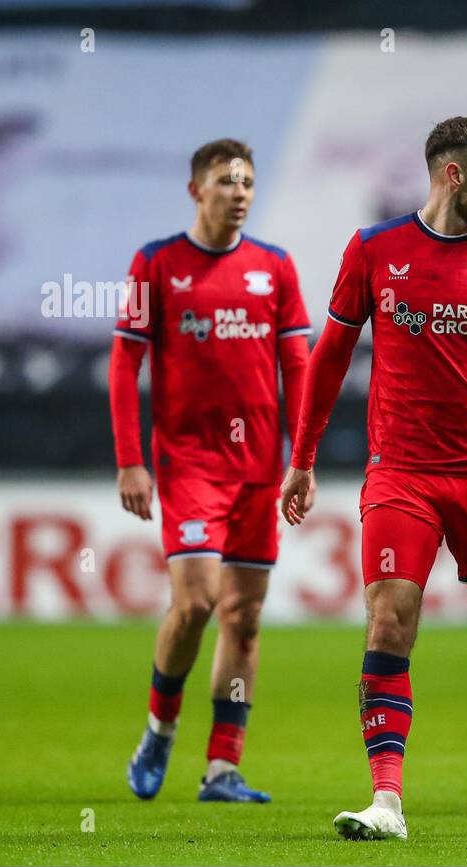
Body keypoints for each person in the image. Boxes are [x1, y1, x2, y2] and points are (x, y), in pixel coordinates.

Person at [281, 117, 467, 840]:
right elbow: (330, 356)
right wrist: (303, 458)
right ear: (454, 175)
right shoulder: (375, 250)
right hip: (402, 471)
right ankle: (386, 802)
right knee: (388, 620)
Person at [112, 138, 313, 803]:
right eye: (227, 181)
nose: (241, 192)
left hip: (260, 467)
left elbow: (297, 368)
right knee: (195, 601)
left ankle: (223, 768)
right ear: (197, 190)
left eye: (249, 182)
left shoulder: (274, 268)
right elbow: (124, 364)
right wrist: (130, 462)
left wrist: (301, 459)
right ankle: (160, 729)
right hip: (191, 464)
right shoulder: (156, 263)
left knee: (245, 620)